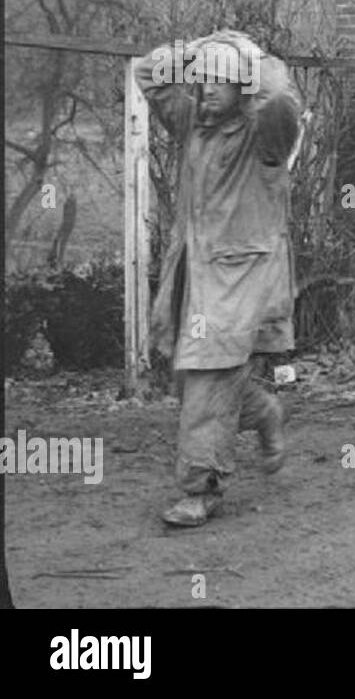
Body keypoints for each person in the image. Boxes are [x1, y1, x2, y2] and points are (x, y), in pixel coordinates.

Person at [137, 30, 301, 527]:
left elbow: (277, 97)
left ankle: (201, 489)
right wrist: (196, 51)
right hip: (196, 273)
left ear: (243, 86)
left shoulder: (266, 135)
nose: (207, 89)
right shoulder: (194, 123)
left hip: (241, 278)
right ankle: (265, 413)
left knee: (208, 379)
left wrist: (253, 56)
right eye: (201, 80)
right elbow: (147, 73)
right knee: (192, 383)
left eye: (220, 82)